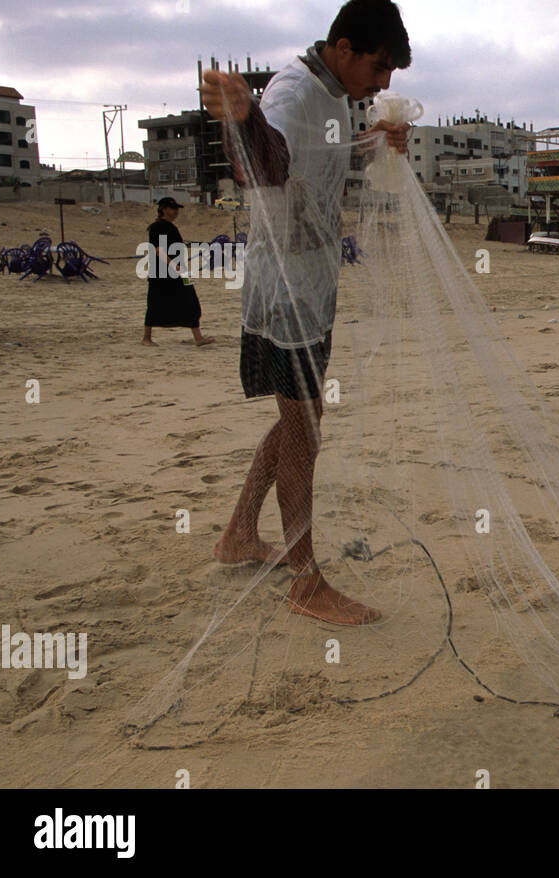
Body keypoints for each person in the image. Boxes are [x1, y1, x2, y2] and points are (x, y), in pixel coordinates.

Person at [202, 0, 412, 625]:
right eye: (379, 67)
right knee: (305, 429)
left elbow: (323, 163)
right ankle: (305, 579)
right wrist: (242, 121)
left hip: (313, 284)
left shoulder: (333, 95)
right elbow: (263, 167)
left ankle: (240, 534)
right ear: (343, 48)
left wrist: (370, 143)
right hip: (285, 291)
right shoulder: (293, 90)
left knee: (305, 416)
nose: (383, 83)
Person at [143, 197, 214, 347]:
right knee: (154, 303)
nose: (176, 212)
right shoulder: (156, 227)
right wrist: (173, 265)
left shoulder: (171, 227)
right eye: (172, 208)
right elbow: (157, 250)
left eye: (176, 209)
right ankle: (146, 338)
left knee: (191, 300)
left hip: (180, 270)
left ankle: (198, 337)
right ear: (163, 209)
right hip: (161, 272)